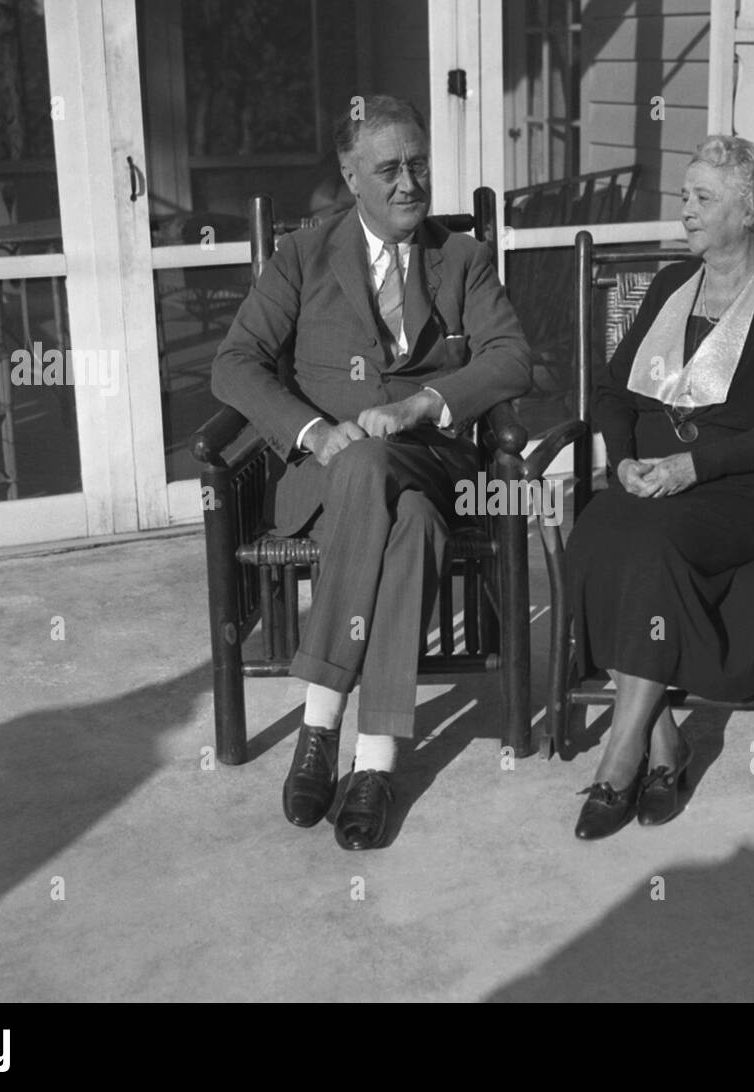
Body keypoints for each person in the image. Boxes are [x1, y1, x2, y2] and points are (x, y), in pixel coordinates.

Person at [211, 96, 531, 850]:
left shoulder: (462, 259)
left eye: (418, 164)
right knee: (406, 519)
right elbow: (234, 364)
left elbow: (513, 357)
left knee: (384, 463)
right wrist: (315, 432)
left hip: (431, 457)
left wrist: (424, 403)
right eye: (387, 169)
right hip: (333, 481)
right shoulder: (303, 257)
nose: (409, 183)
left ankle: (320, 723)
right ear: (351, 175)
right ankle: (377, 761)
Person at [566, 134, 754, 840]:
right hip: (650, 476)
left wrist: (697, 467)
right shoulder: (667, 287)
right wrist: (621, 460)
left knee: (651, 544)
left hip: (734, 491)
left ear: (749, 211)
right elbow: (612, 392)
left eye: (702, 198)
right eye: (685, 196)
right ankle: (667, 745)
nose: (684, 211)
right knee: (598, 529)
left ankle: (620, 757)